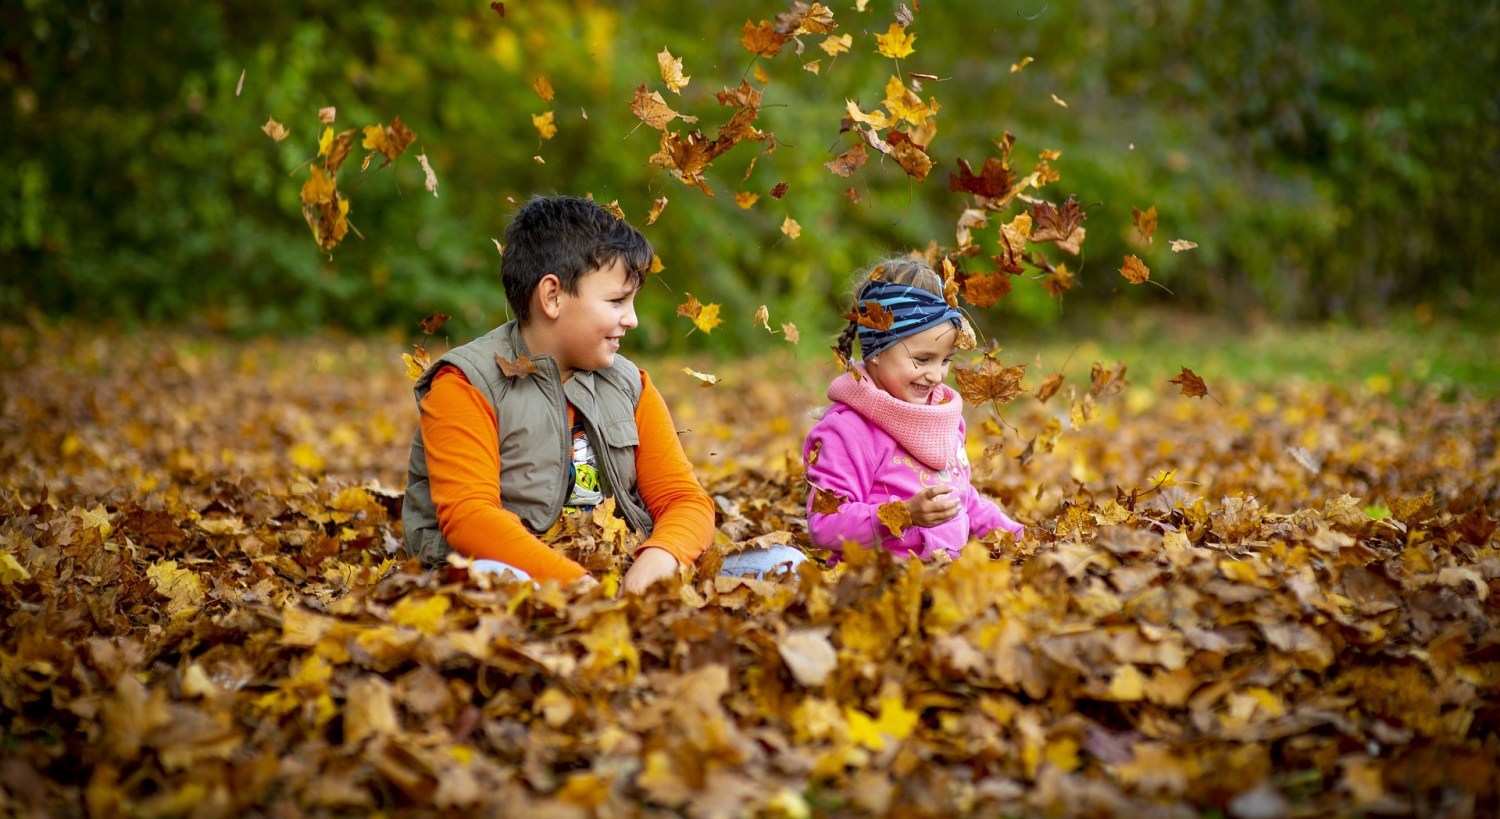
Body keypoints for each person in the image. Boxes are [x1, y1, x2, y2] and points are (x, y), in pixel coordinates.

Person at [403, 195, 732, 594]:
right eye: (616, 301)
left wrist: (661, 557)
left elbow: (684, 499)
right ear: (552, 297)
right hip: (517, 582)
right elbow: (471, 517)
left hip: (623, 572)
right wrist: (577, 585)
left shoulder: (629, 385)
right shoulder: (466, 384)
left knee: (782, 562)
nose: (632, 319)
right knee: (493, 576)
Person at [802, 256, 1024, 562]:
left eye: (945, 360)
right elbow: (825, 525)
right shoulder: (848, 430)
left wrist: (1018, 536)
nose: (936, 375)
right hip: (880, 583)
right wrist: (902, 515)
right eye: (922, 360)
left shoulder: (941, 416)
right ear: (876, 350)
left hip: (946, 578)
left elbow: (962, 498)